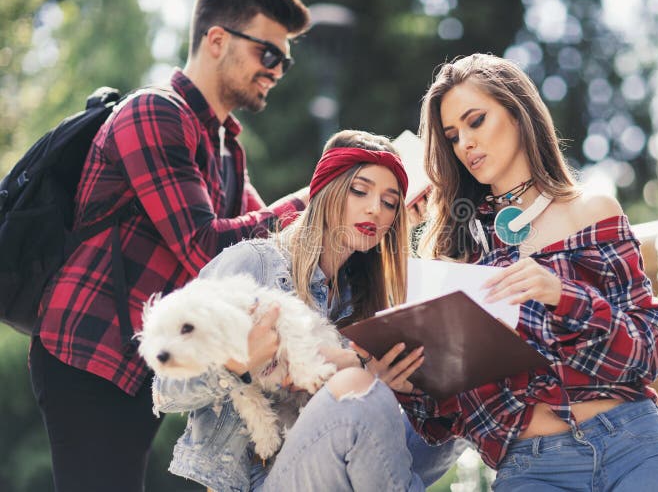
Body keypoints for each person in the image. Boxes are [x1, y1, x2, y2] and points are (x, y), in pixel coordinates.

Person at [28, 0, 311, 491]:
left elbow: (263, 251)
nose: (276, 70)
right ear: (218, 39)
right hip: (90, 351)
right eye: (269, 53)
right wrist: (311, 198)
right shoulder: (155, 112)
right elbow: (204, 246)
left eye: (285, 62)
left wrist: (362, 206)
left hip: (145, 366)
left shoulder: (226, 147)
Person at [395, 53, 658, 491]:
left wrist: (563, 296)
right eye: (453, 135)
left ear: (518, 113)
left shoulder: (591, 212)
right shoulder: (453, 255)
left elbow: (649, 351)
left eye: (476, 121)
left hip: (634, 444)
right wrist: (410, 383)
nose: (465, 144)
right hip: (532, 469)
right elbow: (447, 424)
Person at [152, 130, 464, 492]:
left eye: (390, 202)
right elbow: (166, 389)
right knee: (359, 390)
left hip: (333, 463)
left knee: (459, 398)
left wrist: (382, 377)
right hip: (258, 478)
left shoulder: (362, 296)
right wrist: (240, 365)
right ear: (325, 191)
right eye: (359, 191)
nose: (374, 209)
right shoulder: (253, 264)